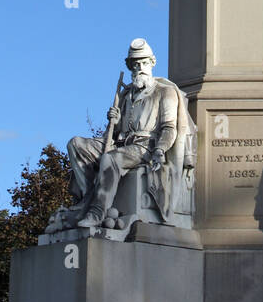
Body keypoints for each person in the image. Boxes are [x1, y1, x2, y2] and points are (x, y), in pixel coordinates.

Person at [67, 38, 196, 228]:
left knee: (110, 159)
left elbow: (169, 128)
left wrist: (160, 149)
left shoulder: (165, 92)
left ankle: (97, 213)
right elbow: (114, 133)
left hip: (146, 146)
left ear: (152, 63)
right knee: (76, 145)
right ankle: (88, 198)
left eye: (144, 63)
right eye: (135, 64)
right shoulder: (125, 95)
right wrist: (116, 121)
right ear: (130, 67)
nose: (140, 68)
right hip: (121, 144)